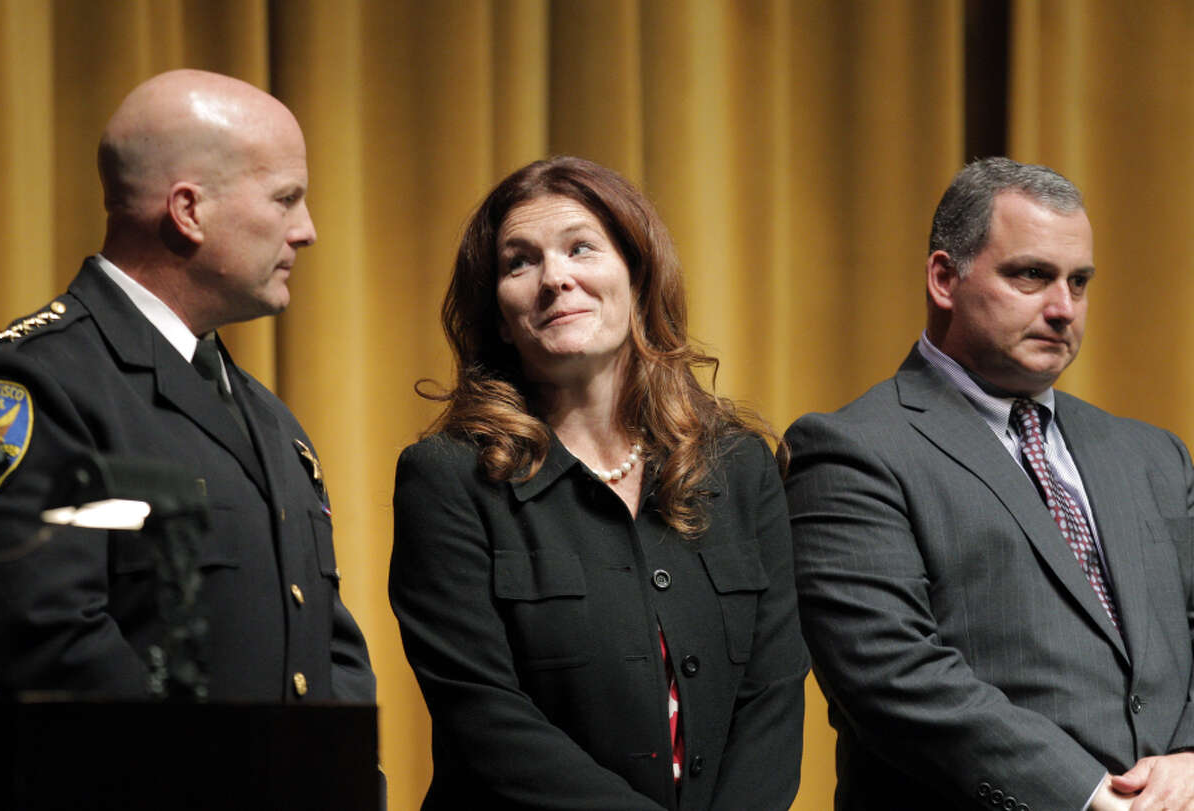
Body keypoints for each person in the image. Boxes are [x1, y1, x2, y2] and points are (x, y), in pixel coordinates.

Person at [389, 156, 808, 810]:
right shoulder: (446, 479)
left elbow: (773, 695)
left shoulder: (742, 466)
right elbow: (485, 715)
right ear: (500, 316)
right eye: (519, 262)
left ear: (638, 279)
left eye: (581, 247)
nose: (556, 277)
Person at [785, 157, 1194, 810]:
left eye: (1079, 282)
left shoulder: (1153, 454)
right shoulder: (850, 450)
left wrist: (1191, 760)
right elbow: (894, 675)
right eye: (1031, 275)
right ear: (945, 278)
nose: (1063, 309)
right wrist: (1087, 794)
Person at [0, 69, 375, 704]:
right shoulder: (41, 383)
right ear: (189, 210)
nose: (307, 229)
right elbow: (54, 645)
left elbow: (329, 650)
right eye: (286, 199)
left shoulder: (271, 423)